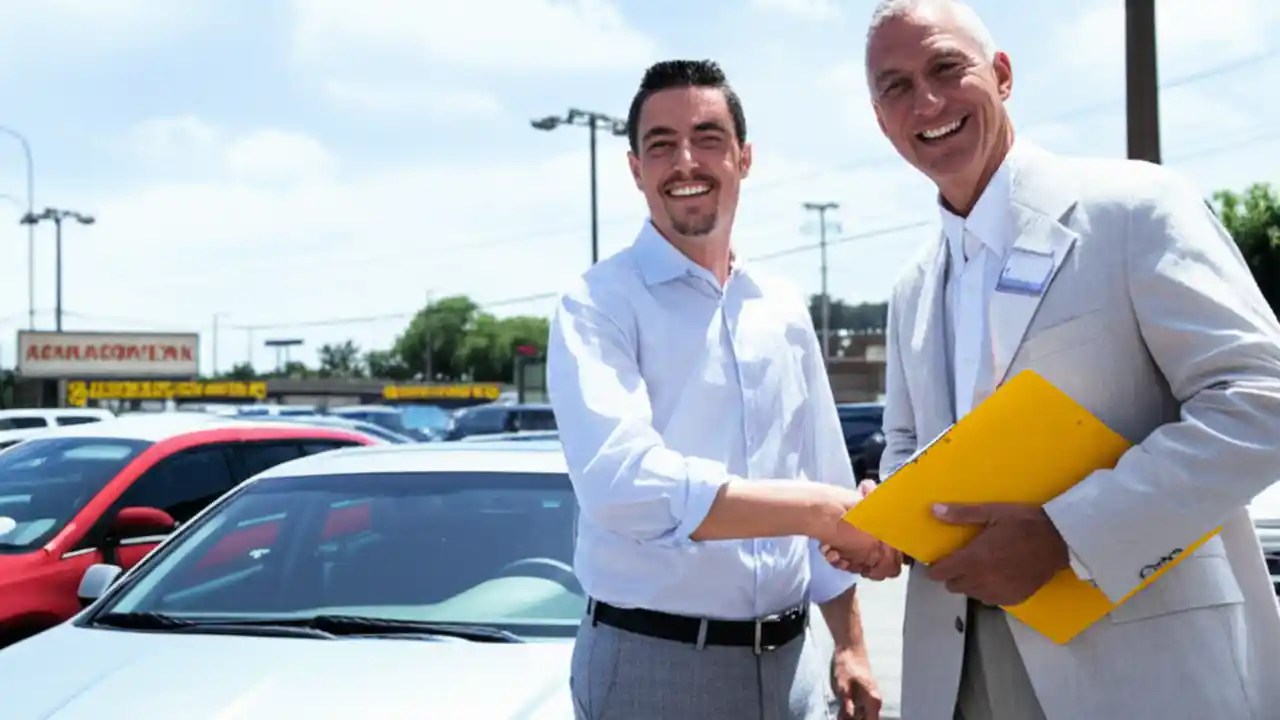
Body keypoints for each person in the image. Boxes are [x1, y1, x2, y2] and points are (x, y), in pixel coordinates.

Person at [844, 1, 1280, 718]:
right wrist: (886, 517)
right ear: (881, 119)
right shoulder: (912, 286)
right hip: (957, 673)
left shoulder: (1135, 209)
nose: (926, 101)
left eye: (946, 68)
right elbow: (907, 451)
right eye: (895, 87)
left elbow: (1261, 399)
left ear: (1003, 75)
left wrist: (1070, 534)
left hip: (1139, 672)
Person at [546, 59, 902, 720]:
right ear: (635, 170)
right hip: (654, 666)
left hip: (791, 670)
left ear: (744, 157)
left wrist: (850, 643)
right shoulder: (596, 305)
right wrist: (817, 510)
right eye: (661, 144)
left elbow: (821, 471)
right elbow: (624, 488)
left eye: (708, 138)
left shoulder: (782, 307)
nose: (686, 161)